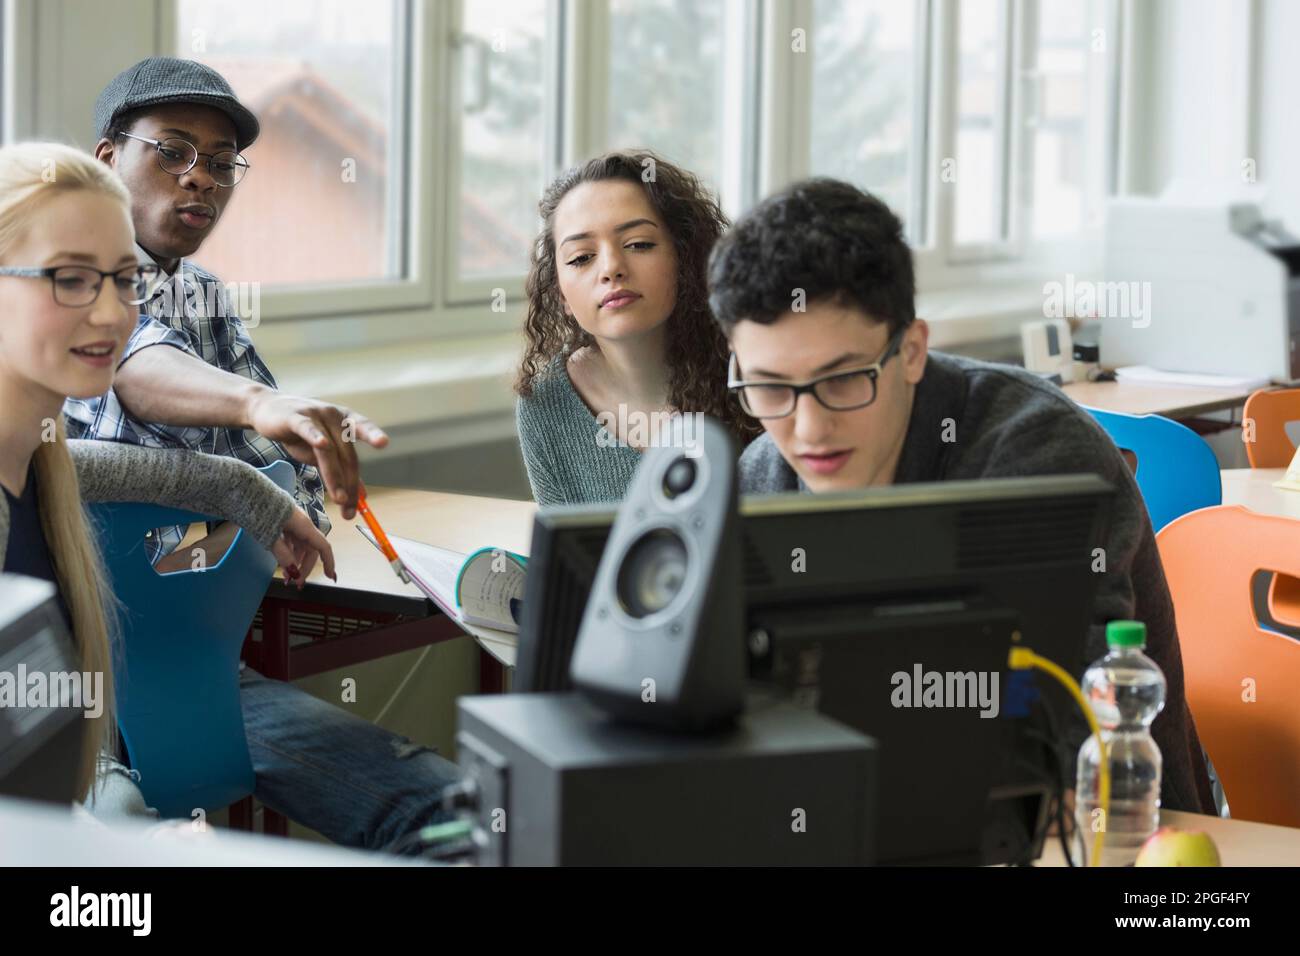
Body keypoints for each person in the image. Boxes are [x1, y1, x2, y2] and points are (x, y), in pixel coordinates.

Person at [707, 177, 1217, 814]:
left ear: (913, 350)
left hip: (1093, 833)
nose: (807, 429)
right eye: (768, 387)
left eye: (842, 380)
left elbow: (1067, 725)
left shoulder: (1035, 454)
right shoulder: (761, 477)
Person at [65, 58, 464, 849]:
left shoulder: (206, 297)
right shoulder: (63, 288)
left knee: (455, 810)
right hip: (58, 676)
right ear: (109, 161)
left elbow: (283, 493)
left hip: (187, 668)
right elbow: (138, 367)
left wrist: (216, 522)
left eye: (220, 164)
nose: (200, 179)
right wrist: (242, 457)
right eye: (172, 152)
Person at [0, 140, 332, 804]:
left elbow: (143, 475)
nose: (110, 312)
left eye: (125, 280)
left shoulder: (44, 461)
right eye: (69, 278)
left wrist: (254, 498)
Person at [514, 150, 758, 506]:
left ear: (685, 257)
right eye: (581, 257)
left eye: (639, 244)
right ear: (560, 294)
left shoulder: (755, 369)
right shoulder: (545, 403)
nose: (611, 268)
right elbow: (574, 555)